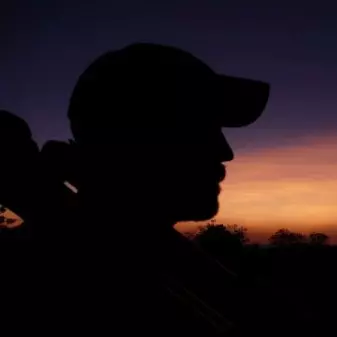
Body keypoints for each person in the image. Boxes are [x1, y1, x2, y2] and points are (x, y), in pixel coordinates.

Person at [66, 43, 270, 335]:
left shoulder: (149, 259)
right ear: (129, 140)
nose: (226, 152)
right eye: (198, 129)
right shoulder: (81, 285)